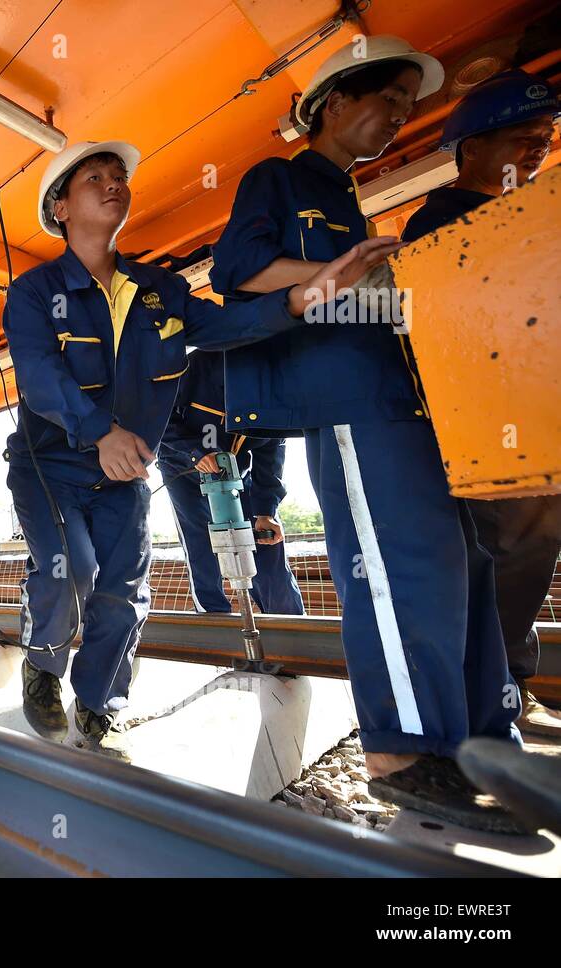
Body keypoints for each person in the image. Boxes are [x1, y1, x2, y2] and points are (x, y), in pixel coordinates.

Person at [210, 35, 524, 831]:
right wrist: (335, 277)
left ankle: (478, 742)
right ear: (333, 102)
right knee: (392, 566)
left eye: (406, 109)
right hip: (347, 403)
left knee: (458, 559)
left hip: (402, 400)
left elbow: (355, 290)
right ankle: (404, 753)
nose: (395, 118)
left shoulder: (350, 201)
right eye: (385, 101)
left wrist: (378, 291)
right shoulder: (278, 179)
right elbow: (238, 270)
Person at [5, 140, 398, 757]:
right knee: (69, 568)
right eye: (96, 179)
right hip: (49, 464)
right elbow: (37, 374)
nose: (115, 185)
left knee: (125, 590)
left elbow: (224, 328)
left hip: (125, 475)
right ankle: (43, 666)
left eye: (119, 178)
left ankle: (99, 700)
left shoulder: (157, 290)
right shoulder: (34, 292)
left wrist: (309, 293)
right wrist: (98, 432)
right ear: (60, 208)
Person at [401, 69, 561, 738]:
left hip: (537, 407)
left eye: (546, 139)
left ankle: (511, 680)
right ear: (470, 148)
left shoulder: (528, 219)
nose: (537, 149)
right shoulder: (439, 223)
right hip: (487, 418)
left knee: (533, 544)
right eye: (523, 136)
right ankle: (495, 691)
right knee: (512, 548)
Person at [157, 350, 305, 616]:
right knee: (201, 544)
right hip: (183, 469)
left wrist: (265, 511)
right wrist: (195, 452)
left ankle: (290, 624)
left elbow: (270, 454)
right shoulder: (193, 367)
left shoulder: (270, 384)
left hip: (237, 473)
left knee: (266, 543)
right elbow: (159, 418)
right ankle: (214, 619)